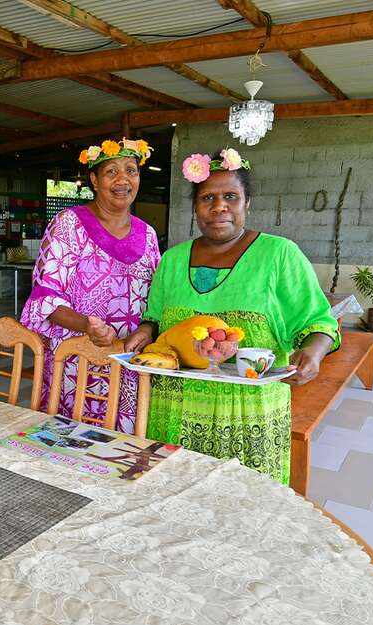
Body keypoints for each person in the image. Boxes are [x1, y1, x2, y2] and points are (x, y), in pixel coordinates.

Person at [127, 148, 339, 484]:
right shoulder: (172, 259)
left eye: (231, 196)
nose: (219, 206)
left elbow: (319, 321)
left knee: (243, 507)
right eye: (207, 197)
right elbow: (154, 317)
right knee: (171, 500)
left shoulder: (279, 255)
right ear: (195, 206)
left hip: (249, 416)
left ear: (247, 203)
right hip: (173, 410)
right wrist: (145, 330)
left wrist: (313, 352)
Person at [20, 138, 161, 434]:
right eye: (112, 172)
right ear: (94, 180)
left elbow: (156, 298)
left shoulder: (147, 234)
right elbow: (45, 296)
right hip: (76, 361)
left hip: (128, 361)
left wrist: (147, 328)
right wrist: (87, 325)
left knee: (122, 449)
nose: (123, 180)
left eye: (131, 171)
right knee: (70, 443)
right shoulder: (68, 224)